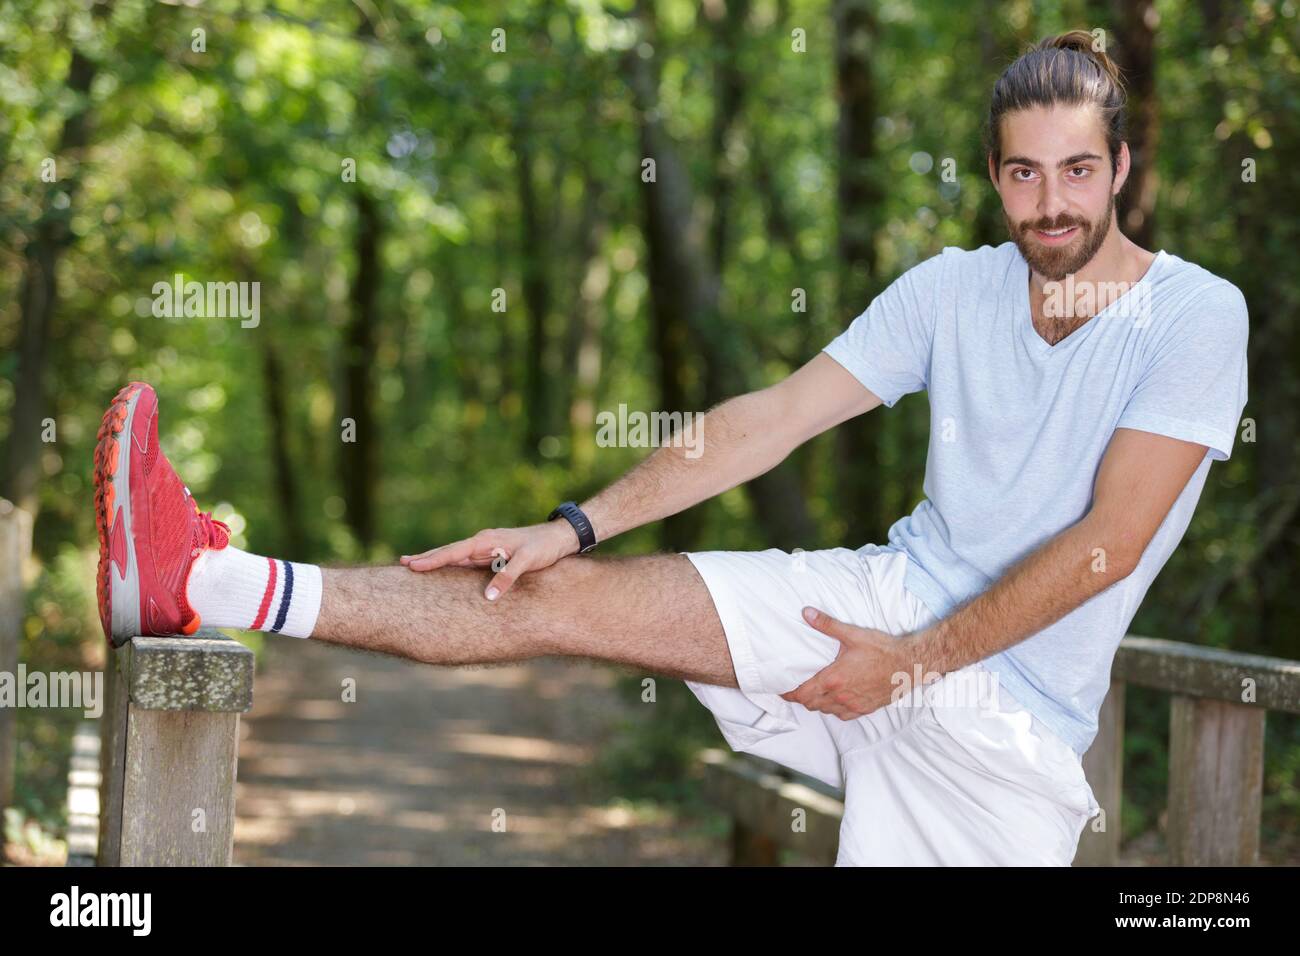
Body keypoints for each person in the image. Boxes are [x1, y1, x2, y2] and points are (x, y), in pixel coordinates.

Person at [91, 31, 1248, 865]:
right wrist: (572, 522)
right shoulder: (952, 289)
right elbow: (766, 418)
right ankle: (199, 575)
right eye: (1022, 172)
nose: (1049, 203)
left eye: (1077, 170)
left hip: (1006, 718)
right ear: (995, 175)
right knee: (543, 594)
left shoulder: (1195, 316)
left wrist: (908, 662)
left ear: (1122, 168)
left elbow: (1107, 545)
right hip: (872, 599)